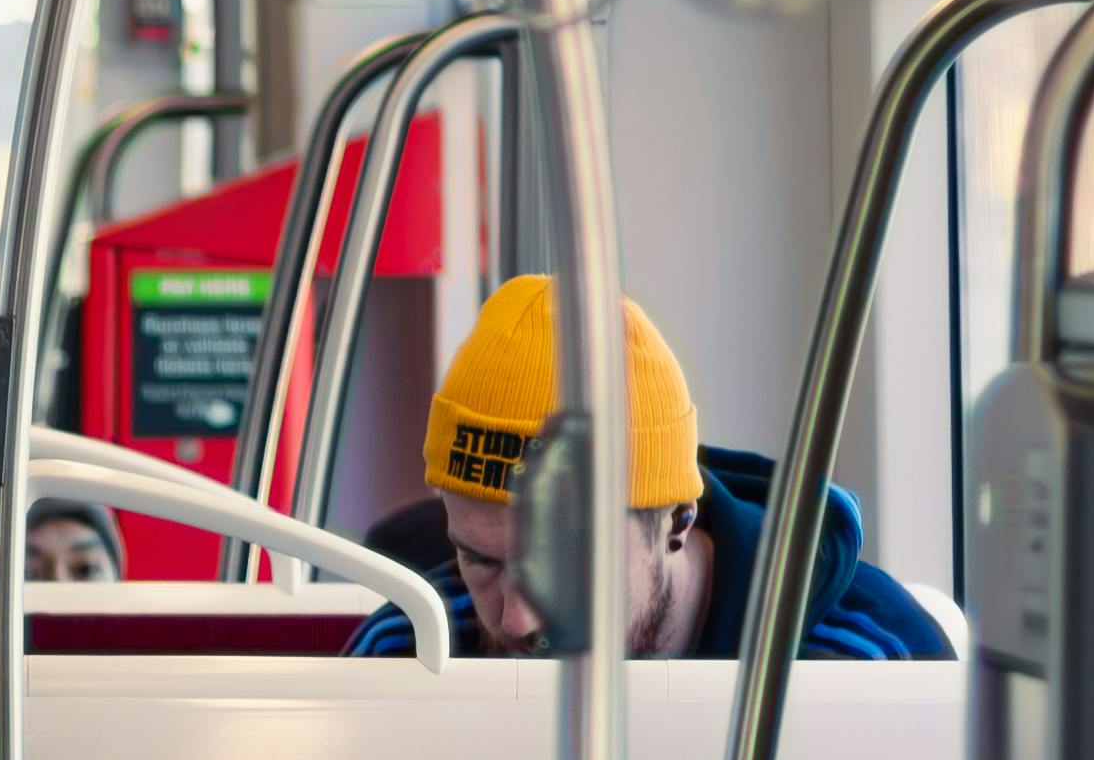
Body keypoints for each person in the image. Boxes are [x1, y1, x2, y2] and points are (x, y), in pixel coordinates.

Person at [355, 275, 949, 662]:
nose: (515, 618)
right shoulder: (410, 648)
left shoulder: (872, 661)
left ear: (677, 521)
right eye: (478, 558)